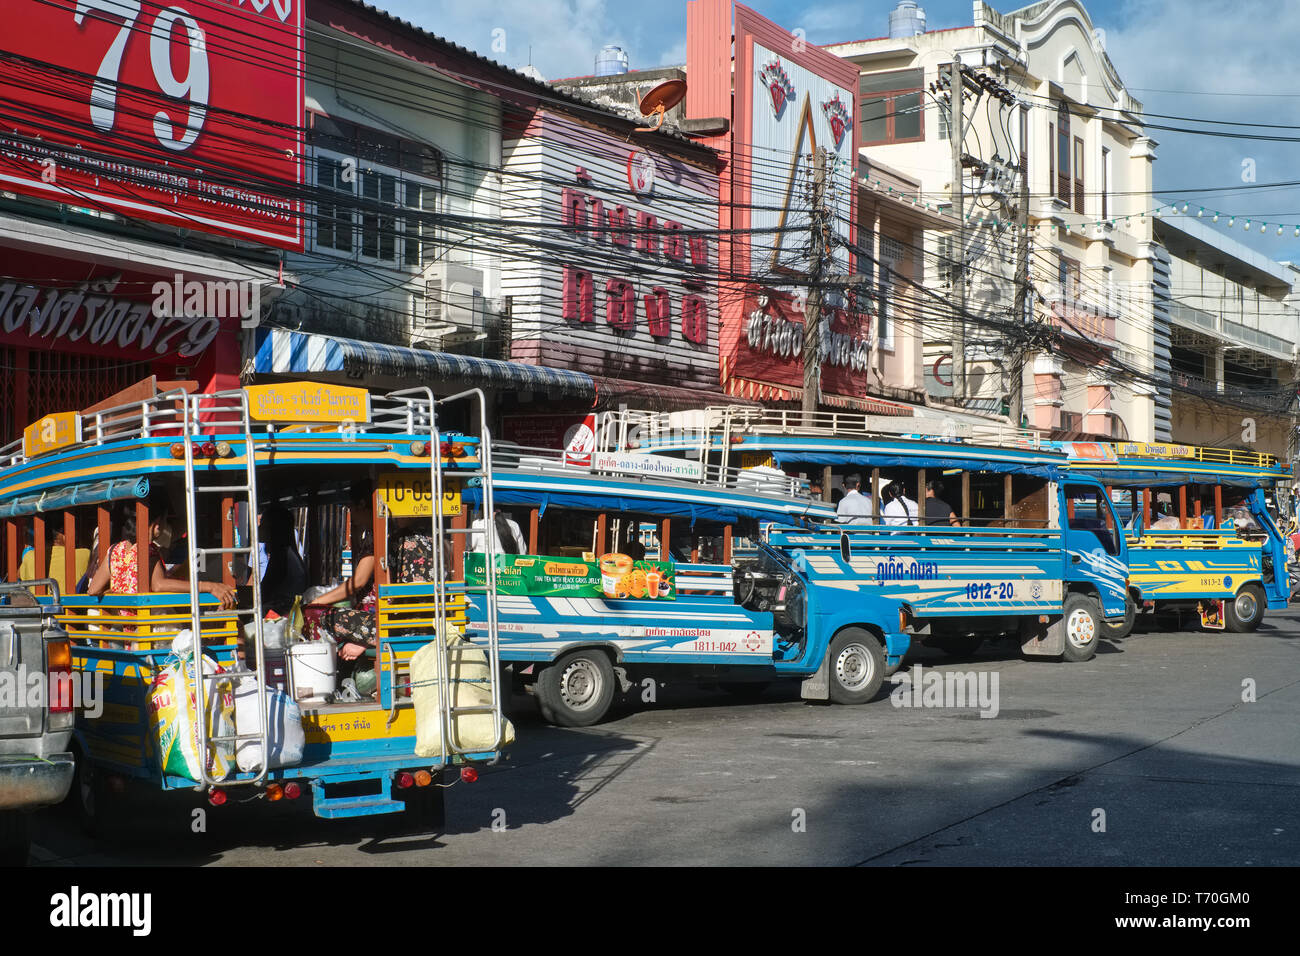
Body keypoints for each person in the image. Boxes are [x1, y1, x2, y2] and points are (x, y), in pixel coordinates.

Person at [87, 497, 237, 642]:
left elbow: (93, 590)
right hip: (151, 630)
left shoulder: (114, 550)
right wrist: (208, 586)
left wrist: (115, 591)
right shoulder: (148, 550)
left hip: (127, 631)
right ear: (157, 524)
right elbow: (159, 585)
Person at [255, 505, 307, 618]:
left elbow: (265, 593)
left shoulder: (282, 557)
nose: (259, 528)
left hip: (281, 616)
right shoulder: (285, 554)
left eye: (263, 524)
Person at [19, 515, 91, 596]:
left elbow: (20, 577)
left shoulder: (30, 556)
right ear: (63, 531)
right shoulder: (85, 554)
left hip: (39, 606)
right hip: (71, 607)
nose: (77, 535)